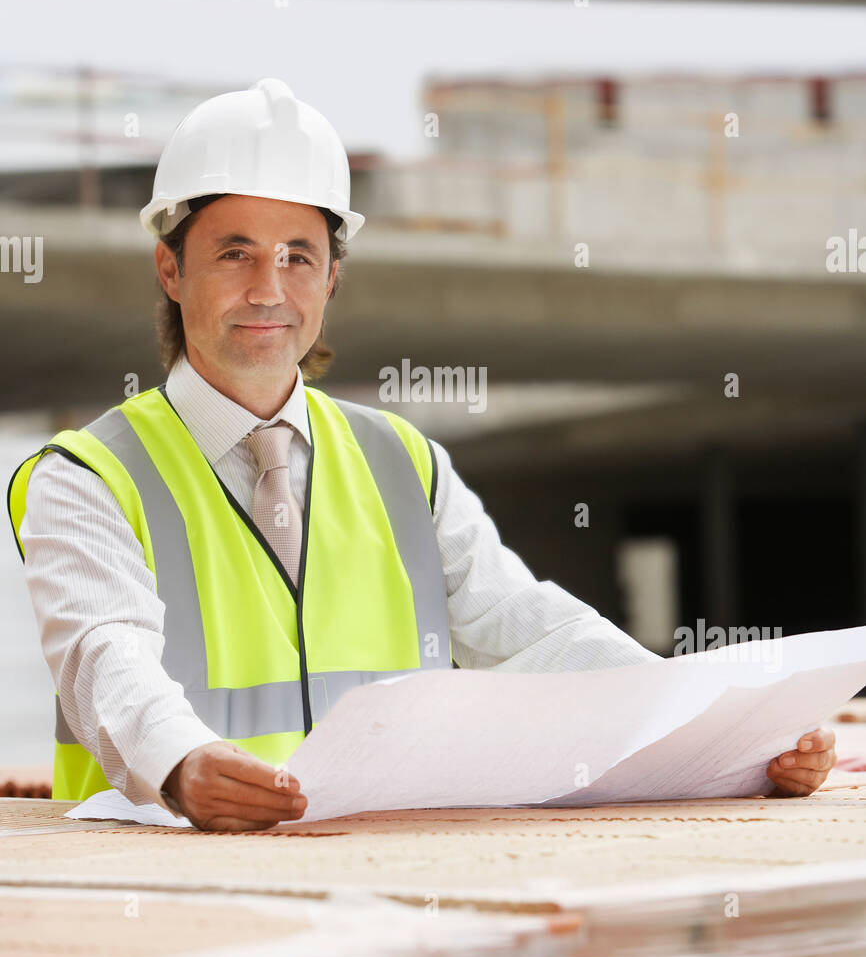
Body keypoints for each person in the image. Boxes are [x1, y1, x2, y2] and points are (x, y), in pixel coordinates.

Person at [7, 80, 836, 830]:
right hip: (177, 895)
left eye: (299, 255)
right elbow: (102, 656)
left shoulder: (404, 461)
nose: (269, 288)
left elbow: (529, 631)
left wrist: (719, 726)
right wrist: (179, 764)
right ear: (171, 268)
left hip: (386, 885)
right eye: (235, 252)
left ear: (332, 279)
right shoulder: (86, 476)